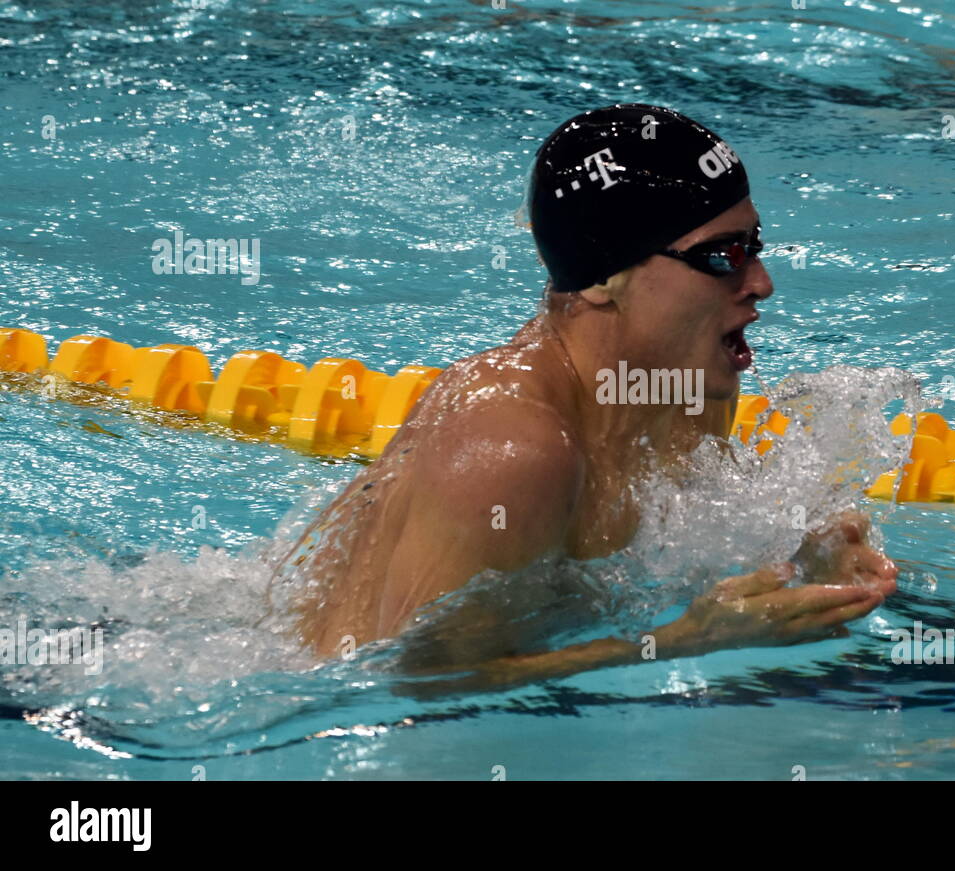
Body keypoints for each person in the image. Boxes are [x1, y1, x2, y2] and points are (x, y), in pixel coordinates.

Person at [286, 103, 899, 692]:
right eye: (722, 256)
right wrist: (688, 641)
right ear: (606, 277)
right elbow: (419, 678)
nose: (761, 283)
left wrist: (807, 548)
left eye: (755, 244)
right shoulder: (510, 449)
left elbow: (695, 537)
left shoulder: (690, 386)